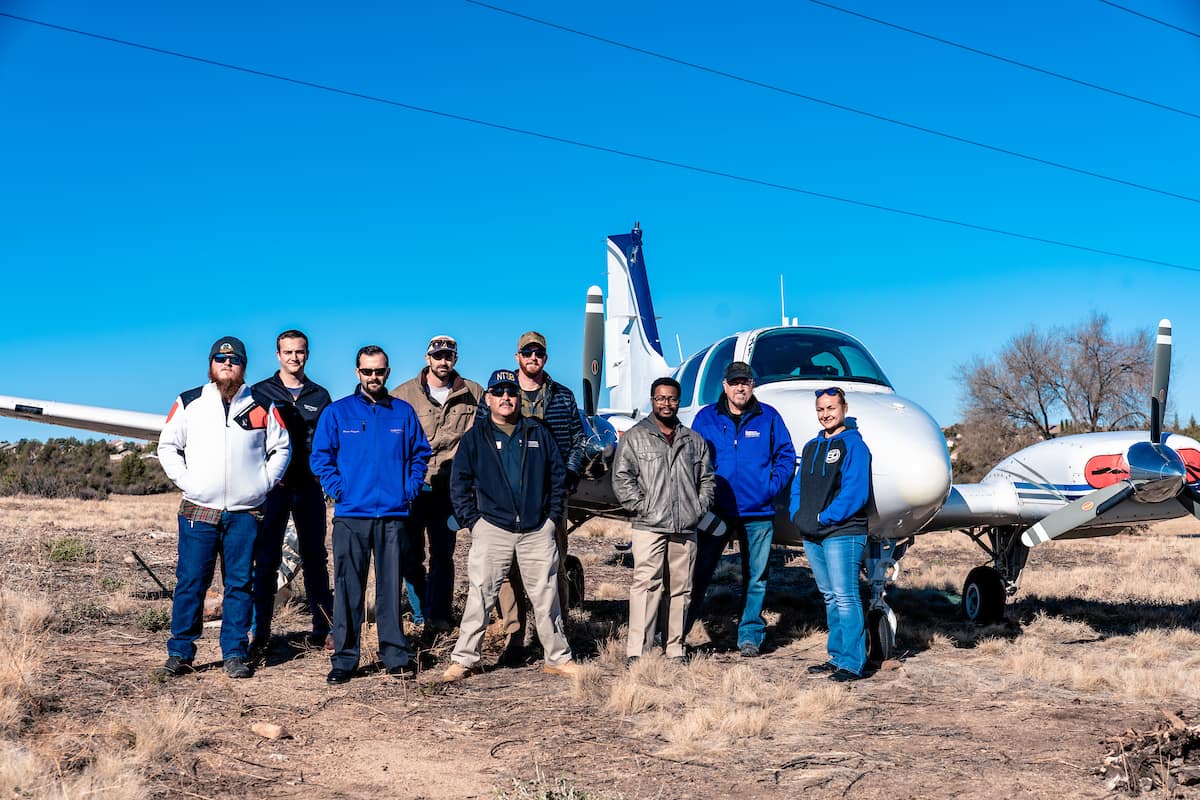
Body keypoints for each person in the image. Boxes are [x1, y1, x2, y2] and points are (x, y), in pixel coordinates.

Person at [156, 336, 291, 679]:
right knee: (190, 582)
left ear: (244, 366)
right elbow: (167, 446)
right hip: (198, 510)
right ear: (211, 364)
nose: (227, 365)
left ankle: (234, 651)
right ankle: (181, 651)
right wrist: (189, 483)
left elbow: (282, 448)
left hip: (245, 513)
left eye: (234, 361)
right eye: (220, 359)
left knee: (239, 584)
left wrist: (262, 484)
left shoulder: (262, 403)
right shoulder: (189, 402)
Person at [442, 369, 580, 681]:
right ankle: (465, 659)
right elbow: (459, 484)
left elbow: (556, 478)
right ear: (488, 398)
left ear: (519, 398)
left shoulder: (538, 432)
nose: (506, 397)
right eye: (499, 392)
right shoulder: (475, 439)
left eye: (512, 392)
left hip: (536, 529)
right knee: (480, 596)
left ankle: (557, 657)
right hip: (492, 528)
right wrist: (474, 523)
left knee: (546, 597)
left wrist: (550, 519)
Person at [310, 345, 431, 685]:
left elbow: (420, 454)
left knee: (391, 588)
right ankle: (345, 659)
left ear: (387, 372)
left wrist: (408, 488)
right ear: (357, 373)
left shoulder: (403, 413)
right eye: (367, 372)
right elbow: (320, 458)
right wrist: (339, 489)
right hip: (351, 515)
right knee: (348, 588)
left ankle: (395, 655)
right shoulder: (338, 413)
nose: (374, 377)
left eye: (379, 371)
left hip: (393, 515)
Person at [480, 331, 585, 662]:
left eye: (539, 352)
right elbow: (482, 441)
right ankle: (513, 635)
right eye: (527, 352)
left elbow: (579, 439)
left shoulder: (563, 397)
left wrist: (569, 473)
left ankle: (555, 635)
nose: (533, 357)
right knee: (508, 569)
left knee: (553, 566)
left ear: (545, 358)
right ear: (517, 357)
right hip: (507, 498)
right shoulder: (502, 394)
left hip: (551, 496)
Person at [688, 361, 795, 657]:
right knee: (699, 572)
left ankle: (749, 634)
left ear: (752, 385)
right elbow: (692, 457)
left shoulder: (769, 417)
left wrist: (770, 487)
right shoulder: (706, 418)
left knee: (756, 577)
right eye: (734, 382)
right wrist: (701, 495)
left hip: (758, 514)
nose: (740, 387)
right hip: (715, 512)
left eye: (745, 382)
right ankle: (678, 632)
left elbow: (786, 455)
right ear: (724, 385)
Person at [612, 377, 714, 662]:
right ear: (652, 400)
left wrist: (699, 507)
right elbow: (622, 478)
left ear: (678, 401)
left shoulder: (693, 440)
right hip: (649, 525)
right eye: (660, 398)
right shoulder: (635, 437)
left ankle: (675, 647)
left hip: (685, 526)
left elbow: (706, 479)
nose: (666, 403)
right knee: (646, 585)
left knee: (681, 589)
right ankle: (638, 650)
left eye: (671, 398)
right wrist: (642, 507)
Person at [391, 335, 483, 632]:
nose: (443, 361)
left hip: (450, 488)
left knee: (443, 554)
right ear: (427, 358)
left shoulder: (474, 393)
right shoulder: (403, 395)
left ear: (455, 359)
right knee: (411, 554)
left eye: (449, 356)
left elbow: (482, 438)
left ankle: (440, 616)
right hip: (415, 487)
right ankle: (421, 614)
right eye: (438, 355)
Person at [250, 329, 334, 653]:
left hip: (309, 490)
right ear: (277, 355)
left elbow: (328, 444)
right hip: (274, 490)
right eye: (288, 352)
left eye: (299, 352)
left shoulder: (320, 396)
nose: (294, 358)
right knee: (267, 559)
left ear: (307, 354)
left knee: (316, 560)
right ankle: (261, 634)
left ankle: (322, 627)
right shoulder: (260, 392)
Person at [790, 386, 872, 682]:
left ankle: (852, 662)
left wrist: (826, 516)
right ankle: (836, 656)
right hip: (813, 534)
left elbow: (855, 492)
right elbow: (798, 486)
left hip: (842, 532)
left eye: (831, 408)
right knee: (829, 596)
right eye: (821, 409)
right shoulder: (811, 446)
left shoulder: (854, 446)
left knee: (846, 596)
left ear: (844, 409)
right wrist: (797, 514)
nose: (826, 414)